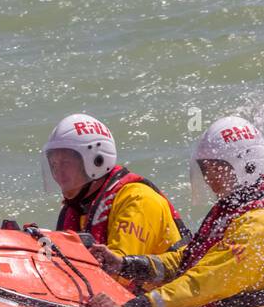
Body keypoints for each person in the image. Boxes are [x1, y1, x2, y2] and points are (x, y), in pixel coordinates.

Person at [90, 116, 264, 307]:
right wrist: (127, 264)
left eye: (215, 169)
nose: (207, 178)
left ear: (246, 166)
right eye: (204, 169)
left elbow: (203, 283)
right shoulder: (238, 210)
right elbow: (189, 259)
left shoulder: (261, 225)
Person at [41, 114, 189, 272]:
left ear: (97, 161)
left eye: (66, 163)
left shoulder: (138, 199)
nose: (58, 172)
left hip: (164, 293)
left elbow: (119, 273)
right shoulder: (76, 208)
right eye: (54, 164)